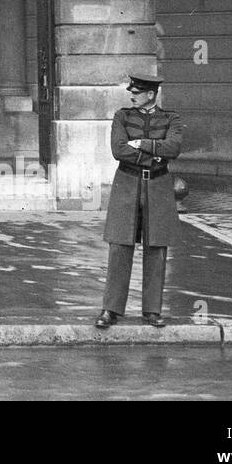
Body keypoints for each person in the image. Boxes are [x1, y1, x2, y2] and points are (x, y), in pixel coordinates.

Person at [95, 72, 184, 329]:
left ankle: (152, 312)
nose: (131, 95)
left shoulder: (171, 119)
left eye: (137, 92)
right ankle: (110, 310)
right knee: (119, 247)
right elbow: (118, 150)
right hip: (127, 184)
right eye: (131, 92)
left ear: (150, 95)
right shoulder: (122, 116)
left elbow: (173, 149)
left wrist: (141, 143)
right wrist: (155, 154)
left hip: (158, 186)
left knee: (156, 248)